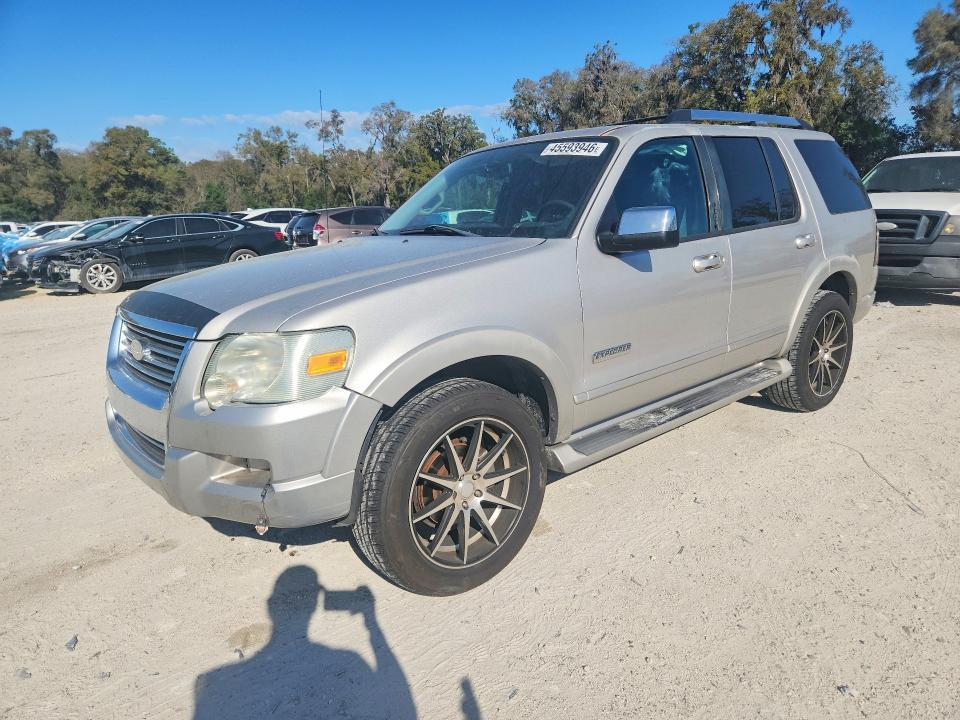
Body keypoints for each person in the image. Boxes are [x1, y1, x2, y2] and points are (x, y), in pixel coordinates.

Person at [193, 565, 416, 719]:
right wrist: (371, 623)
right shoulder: (351, 660)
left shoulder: (211, 685)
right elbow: (403, 704)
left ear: (270, 605)